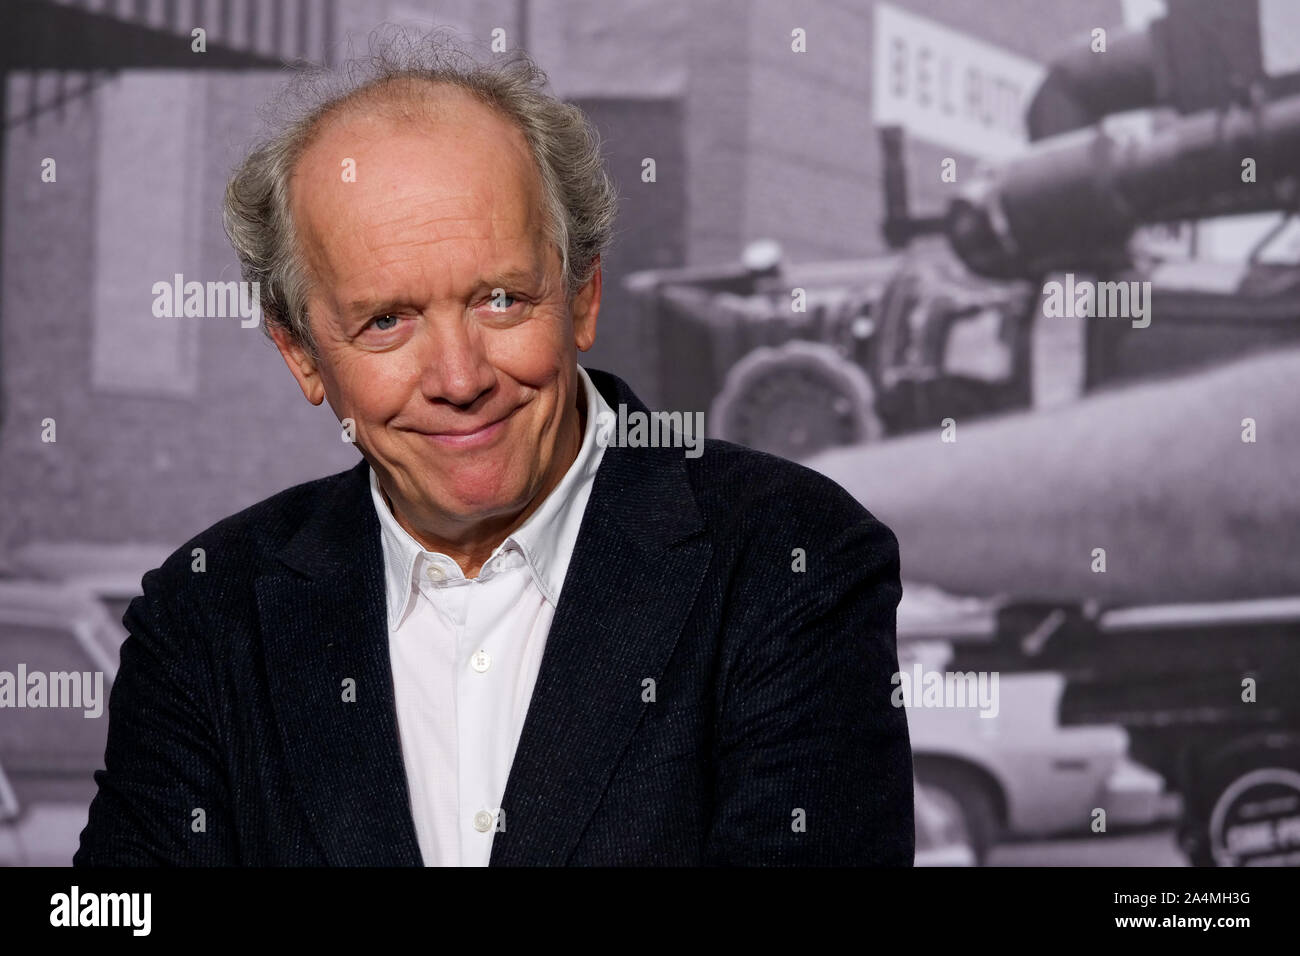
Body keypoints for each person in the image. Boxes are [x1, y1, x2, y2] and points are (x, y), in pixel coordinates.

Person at [75, 38, 912, 866]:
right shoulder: (204, 616)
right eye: (386, 322)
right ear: (302, 355)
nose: (459, 376)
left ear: (582, 295)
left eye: (502, 299)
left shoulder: (793, 561)